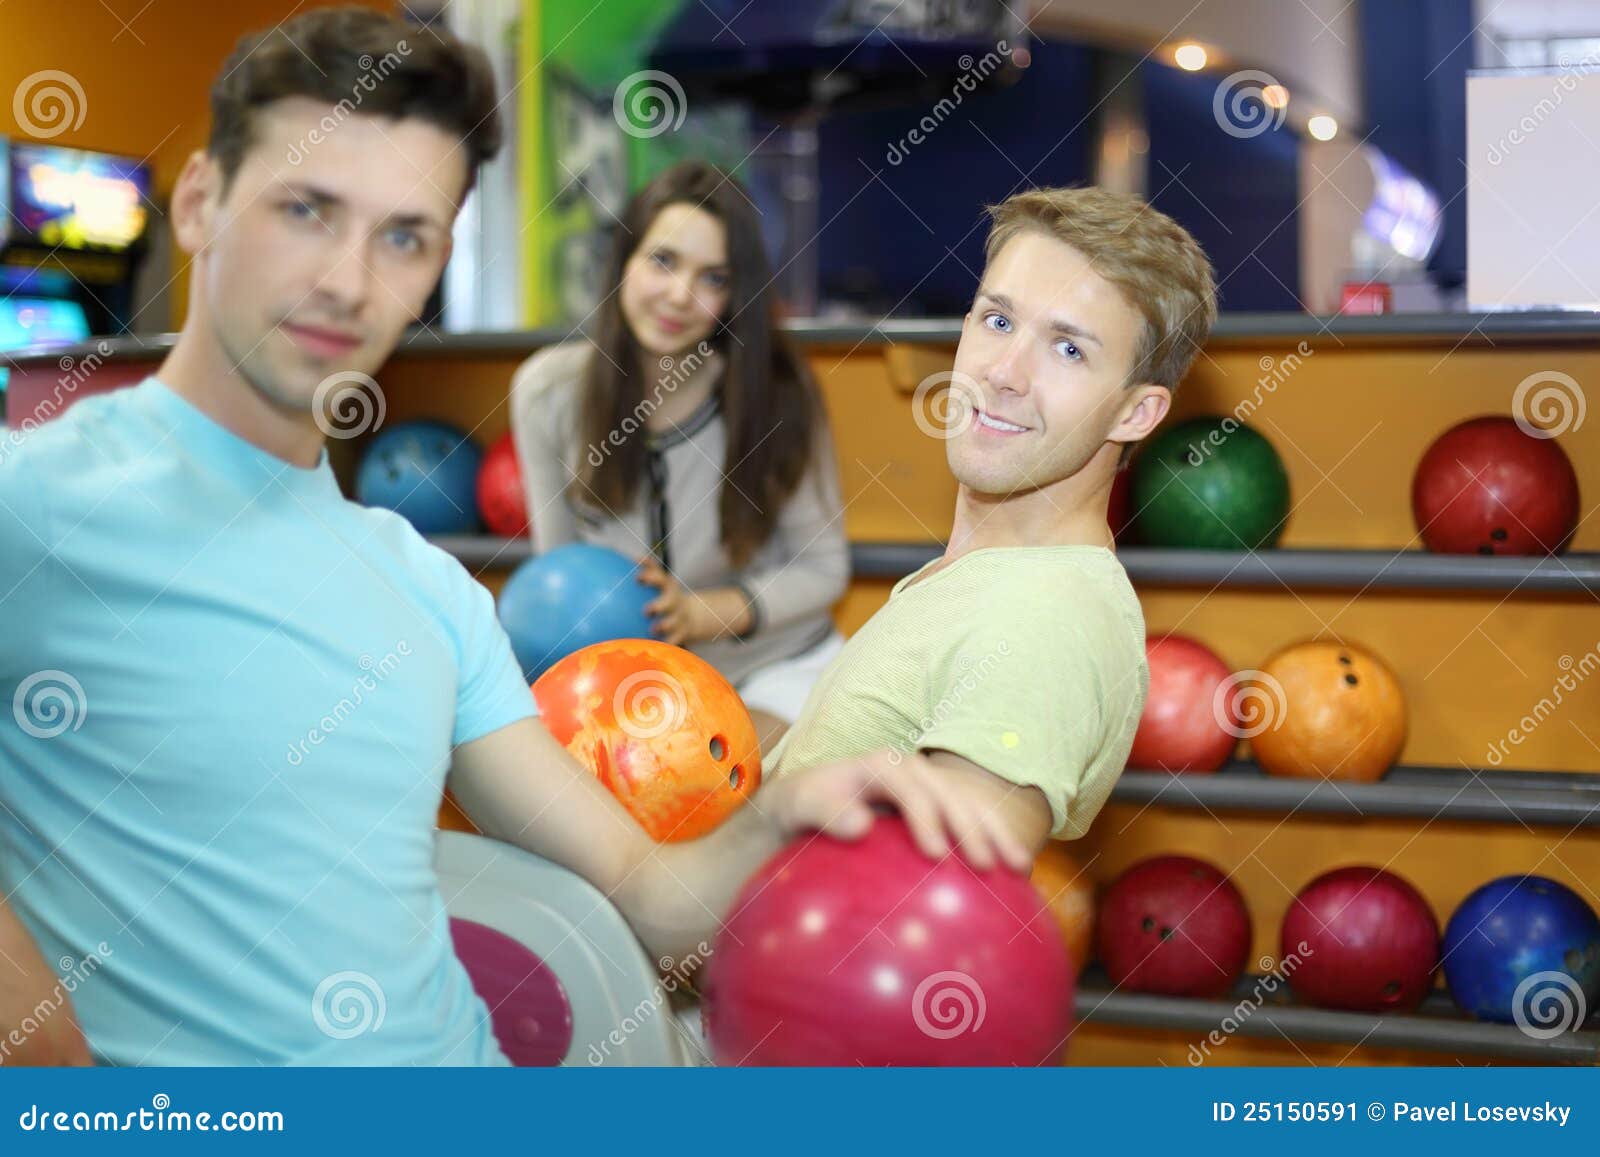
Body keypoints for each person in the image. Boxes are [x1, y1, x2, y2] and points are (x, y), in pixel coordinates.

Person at [0, 7, 1018, 1067]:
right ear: (202, 200)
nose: (349, 281)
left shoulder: (425, 586)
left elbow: (643, 888)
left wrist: (793, 810)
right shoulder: (33, 504)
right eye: (307, 209)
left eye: (403, 236)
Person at [768, 185, 1219, 846]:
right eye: (999, 320)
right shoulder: (990, 577)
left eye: (1069, 350)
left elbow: (951, 913)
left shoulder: (1039, 623)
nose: (1003, 372)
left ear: (1136, 412)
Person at [510, 161, 847, 749]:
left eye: (713, 278)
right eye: (662, 261)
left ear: (735, 295)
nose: (680, 296)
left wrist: (699, 614)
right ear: (625, 261)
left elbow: (823, 570)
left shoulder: (781, 394)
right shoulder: (546, 392)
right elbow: (558, 573)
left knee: (728, 800)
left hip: (772, 668)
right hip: (627, 685)